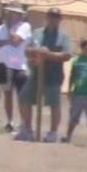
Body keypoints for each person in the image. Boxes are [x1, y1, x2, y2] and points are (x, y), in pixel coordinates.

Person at [20, 8, 71, 143]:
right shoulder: (37, 33)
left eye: (56, 17)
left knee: (54, 103)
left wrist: (49, 54)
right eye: (51, 16)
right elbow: (26, 49)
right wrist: (37, 51)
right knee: (24, 98)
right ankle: (28, 130)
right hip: (36, 73)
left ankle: (53, 133)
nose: (54, 19)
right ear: (47, 17)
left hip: (54, 75)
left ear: (60, 19)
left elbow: (67, 55)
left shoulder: (63, 36)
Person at [0, 4, 33, 133]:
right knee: (7, 94)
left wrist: (9, 33)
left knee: (22, 96)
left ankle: (24, 123)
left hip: (19, 66)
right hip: (4, 64)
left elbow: (16, 41)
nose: (10, 15)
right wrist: (8, 40)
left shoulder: (25, 27)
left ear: (20, 15)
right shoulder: (1, 28)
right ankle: (10, 122)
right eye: (10, 12)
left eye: (14, 13)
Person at [63, 37, 87, 145]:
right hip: (77, 93)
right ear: (81, 47)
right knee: (73, 117)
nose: (86, 48)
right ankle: (68, 136)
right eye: (84, 45)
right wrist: (69, 89)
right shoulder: (76, 60)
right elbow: (72, 75)